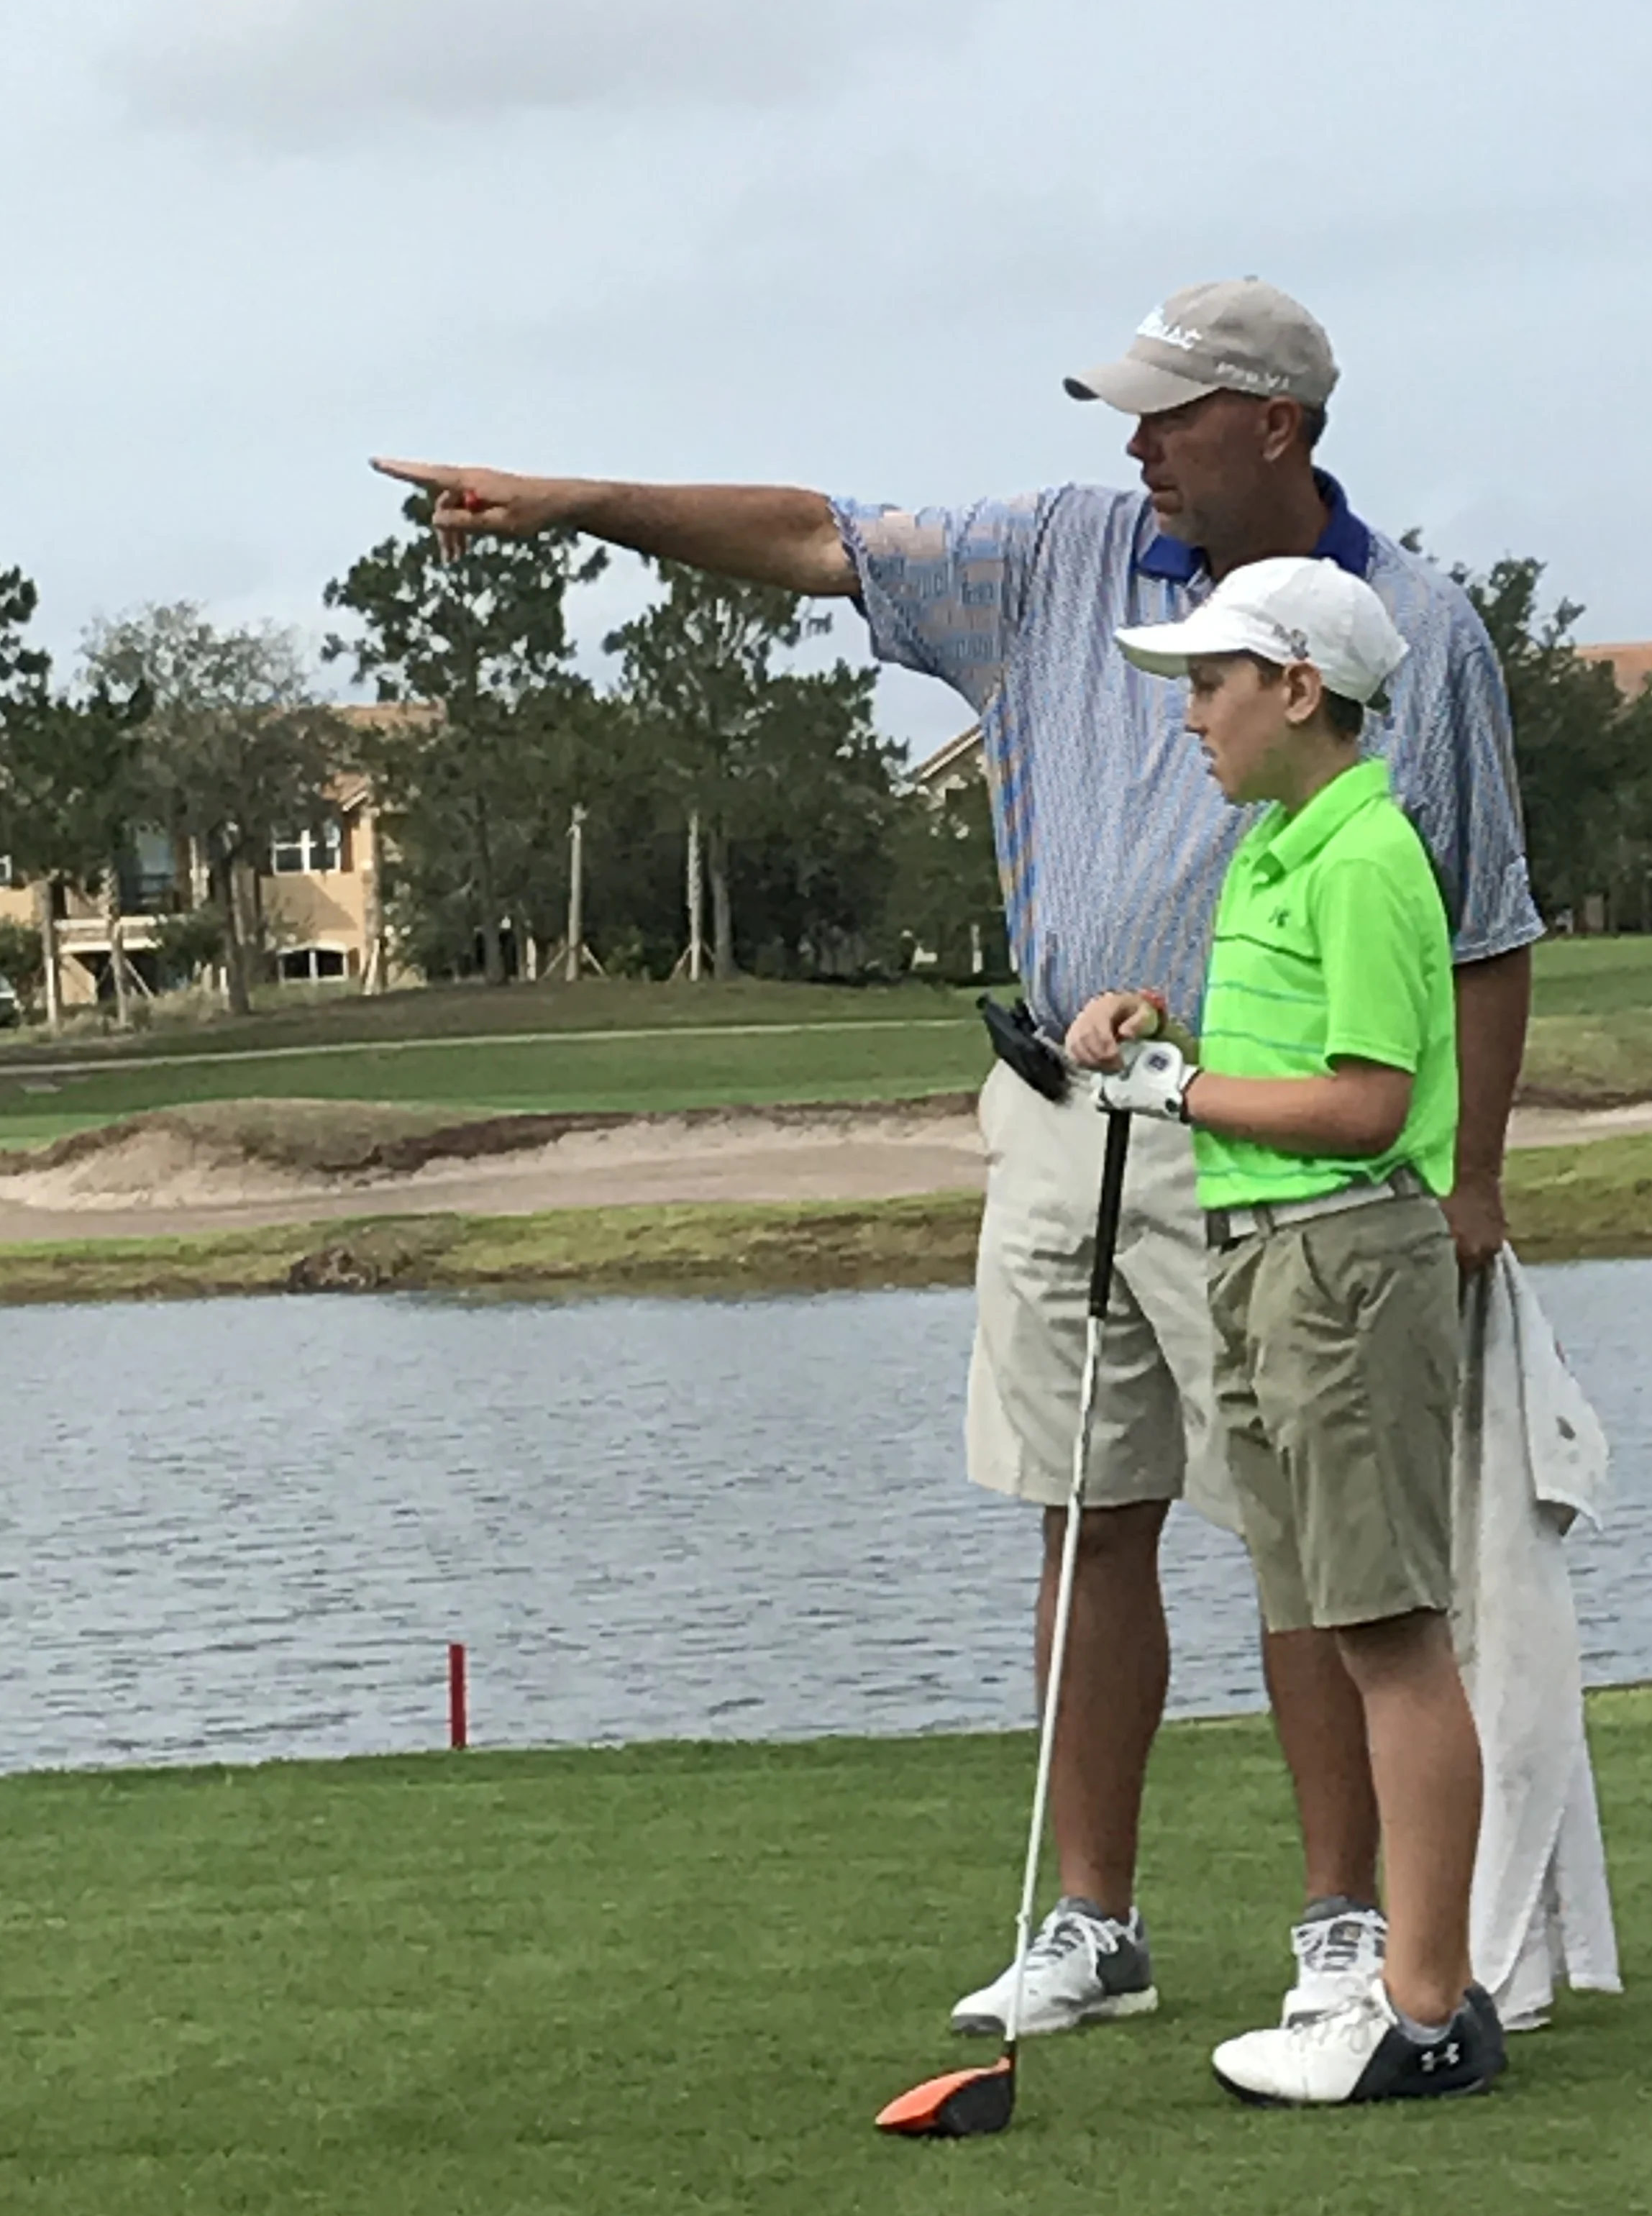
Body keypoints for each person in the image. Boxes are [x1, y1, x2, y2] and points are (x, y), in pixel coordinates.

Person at [373, 275, 1543, 2041]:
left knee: (1307, 1547)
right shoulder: (1056, 555)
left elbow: (1489, 935)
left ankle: (1337, 1929)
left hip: (1276, 1150)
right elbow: (817, 535)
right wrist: (574, 504)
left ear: (1280, 427)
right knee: (1084, 1519)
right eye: (1128, 414)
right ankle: (1096, 1921)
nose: (1135, 445)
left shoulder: (1413, 628)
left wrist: (1472, 1187)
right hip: (1070, 1108)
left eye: (1170, 414)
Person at [1074, 550, 1502, 2102]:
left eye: (1210, 685)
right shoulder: (1273, 848)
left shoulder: (1366, 854)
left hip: (1346, 1261)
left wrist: (1177, 1094)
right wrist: (1164, 1033)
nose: (1190, 719)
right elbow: (1288, 1063)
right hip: (1266, 1259)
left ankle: (1426, 2010)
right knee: (1334, 1613)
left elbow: (1371, 1104)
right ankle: (1395, 1984)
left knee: (1390, 1631)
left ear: (1299, 689)